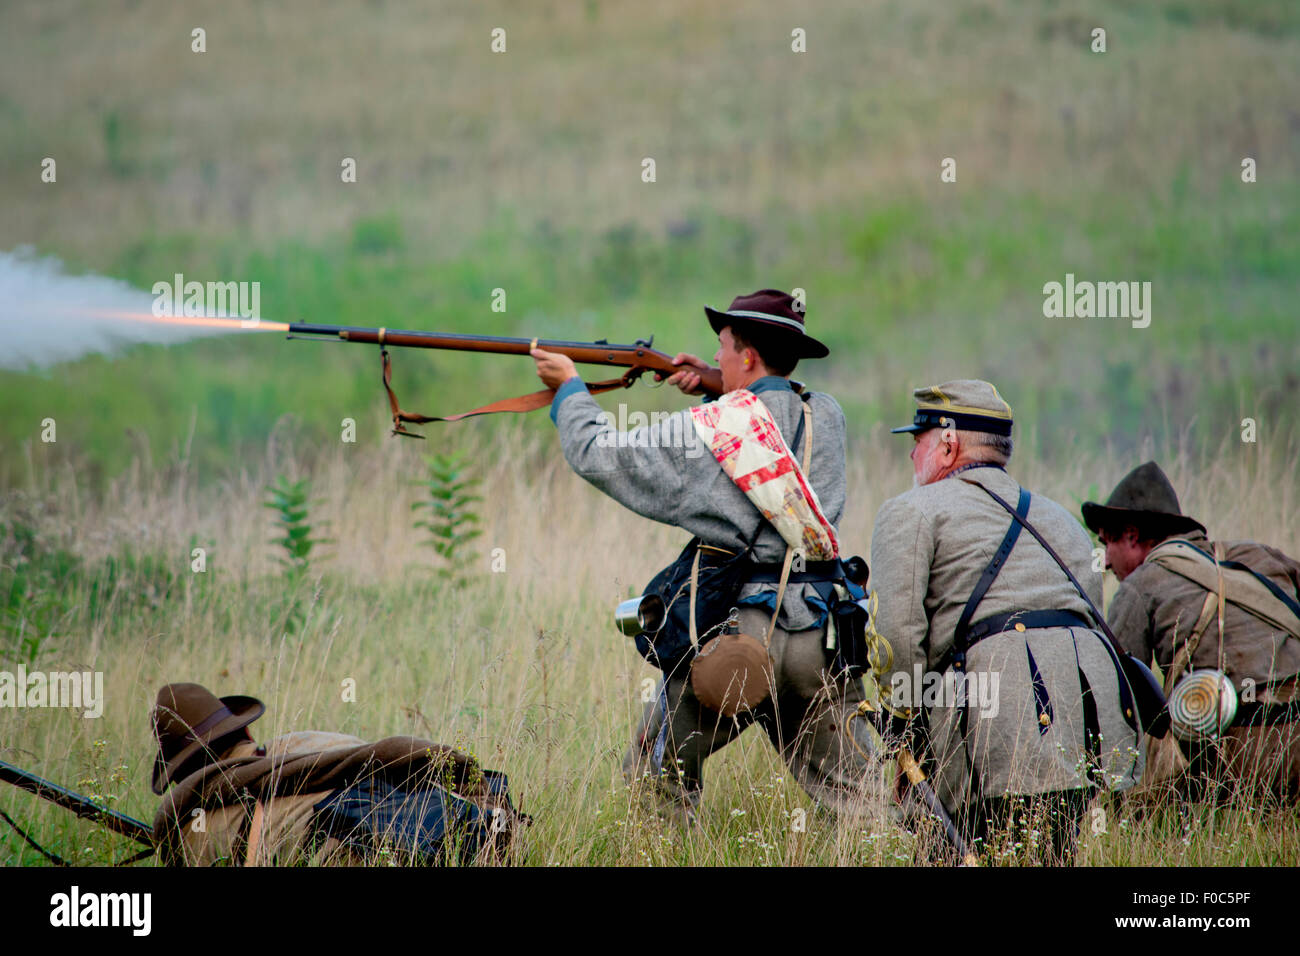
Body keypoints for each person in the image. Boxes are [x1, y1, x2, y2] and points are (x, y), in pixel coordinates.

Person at [532, 289, 880, 826]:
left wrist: (572, 391)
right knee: (863, 801)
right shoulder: (826, 416)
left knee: (656, 780)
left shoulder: (711, 429)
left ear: (746, 356)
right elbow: (772, 410)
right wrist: (720, 387)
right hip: (821, 634)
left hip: (739, 637)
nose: (712, 356)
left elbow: (603, 456)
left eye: (722, 348)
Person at [869, 381, 1142, 863]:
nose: (912, 455)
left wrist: (904, 731)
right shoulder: (1061, 520)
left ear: (949, 443)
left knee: (949, 854)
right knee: (1051, 854)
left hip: (987, 726)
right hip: (1083, 729)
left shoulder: (909, 511)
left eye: (918, 440)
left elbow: (897, 637)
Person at [1084, 461, 1300, 803]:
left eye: (1106, 542)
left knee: (1139, 810)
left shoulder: (1140, 586)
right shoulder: (1262, 557)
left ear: (1132, 534)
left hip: (1243, 756)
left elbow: (1112, 702)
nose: (1106, 561)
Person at [149, 682, 524, 865]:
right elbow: (382, 756)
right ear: (244, 731)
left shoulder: (186, 835)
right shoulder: (302, 742)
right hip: (445, 826)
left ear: (183, 771)